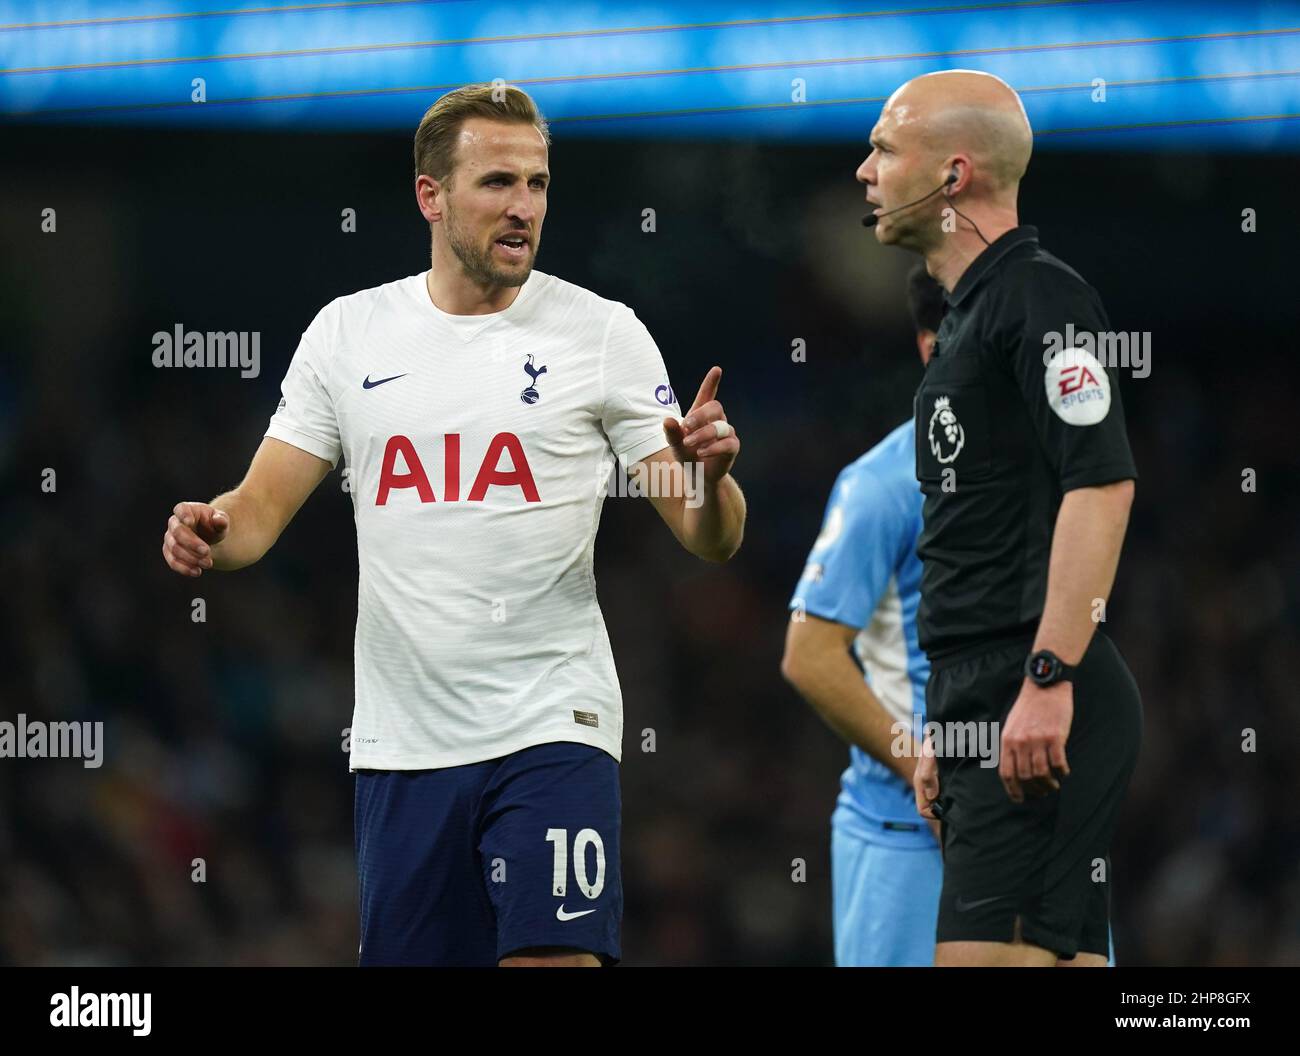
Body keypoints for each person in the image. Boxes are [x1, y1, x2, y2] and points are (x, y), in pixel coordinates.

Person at [160, 83, 746, 967]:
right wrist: (211, 527)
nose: (524, 207)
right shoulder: (348, 335)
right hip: (404, 743)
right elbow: (258, 511)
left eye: (539, 184)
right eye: (498, 182)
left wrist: (711, 477)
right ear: (432, 196)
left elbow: (708, 535)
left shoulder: (601, 335)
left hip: (552, 723)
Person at [857, 69, 1141, 967]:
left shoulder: (1042, 301)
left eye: (883, 149)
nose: (864, 171)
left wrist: (1051, 675)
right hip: (988, 703)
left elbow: (1101, 485)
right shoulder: (969, 319)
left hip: (1038, 694)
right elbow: (982, 541)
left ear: (951, 175)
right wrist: (953, 726)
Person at [781, 265, 945, 966]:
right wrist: (920, 766)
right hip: (907, 831)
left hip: (1036, 827)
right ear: (931, 347)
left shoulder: (1058, 472)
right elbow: (808, 654)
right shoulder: (883, 483)